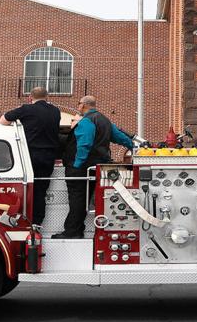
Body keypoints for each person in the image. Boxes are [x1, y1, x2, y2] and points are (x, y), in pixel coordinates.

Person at [57, 96, 137, 240]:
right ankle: (79, 230)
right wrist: (134, 147)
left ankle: (73, 231)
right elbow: (120, 138)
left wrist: (77, 164)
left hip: (81, 168)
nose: (78, 106)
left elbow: (84, 144)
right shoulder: (104, 120)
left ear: (83, 105)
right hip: (97, 167)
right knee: (88, 199)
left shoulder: (86, 120)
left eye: (79, 103)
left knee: (77, 199)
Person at [0, 86, 63, 205]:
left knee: (27, 188)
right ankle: (38, 221)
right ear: (46, 97)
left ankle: (27, 218)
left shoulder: (26, 109)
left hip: (30, 154)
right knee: (42, 190)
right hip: (49, 155)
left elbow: (2, 121)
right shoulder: (55, 111)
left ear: (30, 98)